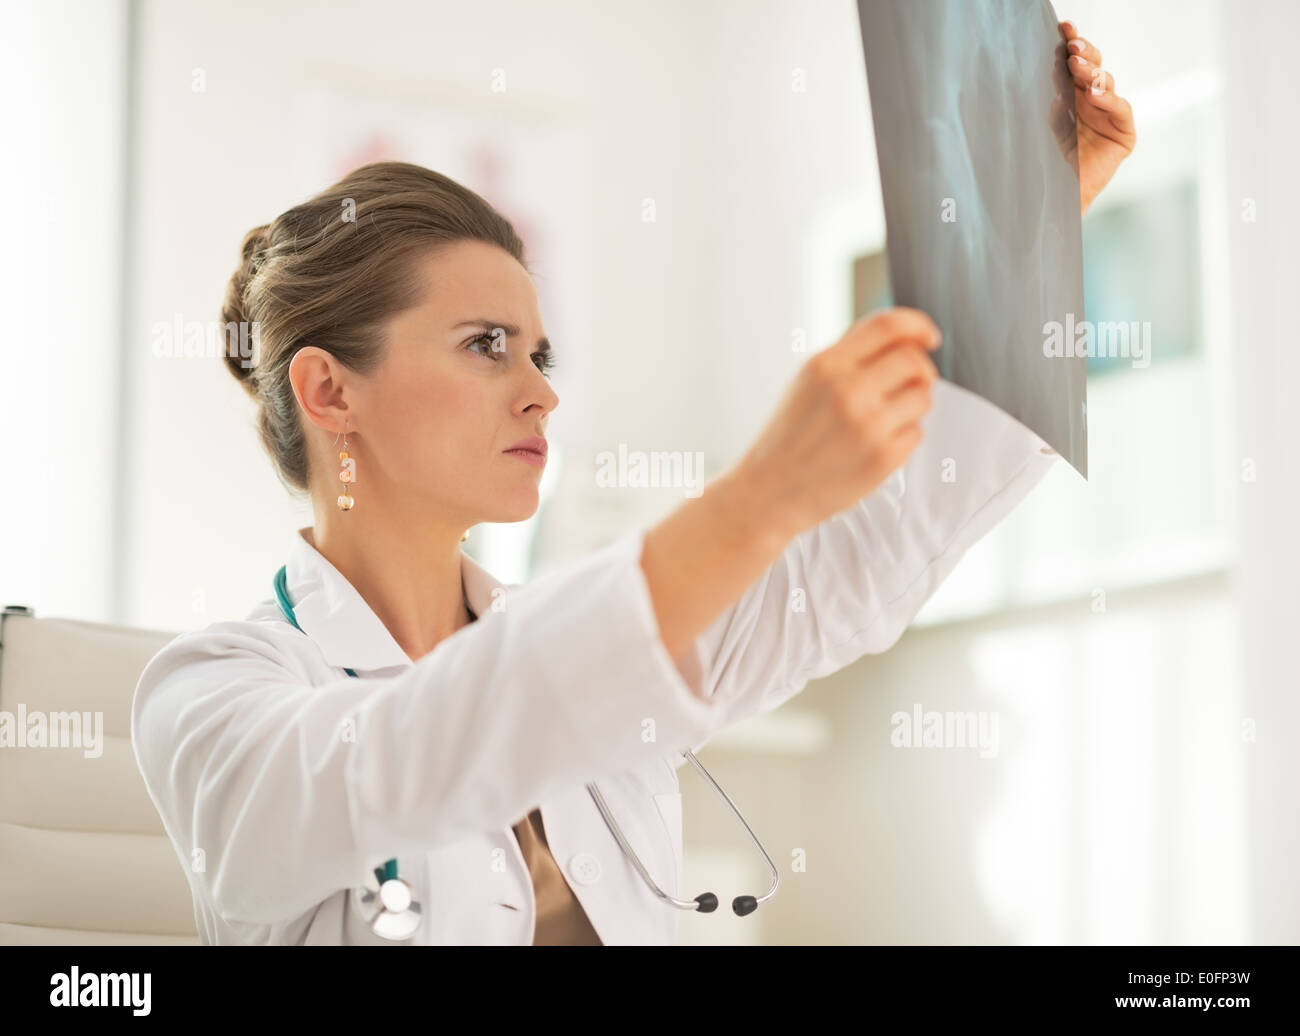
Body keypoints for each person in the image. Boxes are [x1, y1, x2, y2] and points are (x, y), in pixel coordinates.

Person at [130, 22, 1134, 946]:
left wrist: (1032, 236)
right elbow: (416, 746)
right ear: (328, 389)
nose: (541, 396)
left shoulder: (598, 638)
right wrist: (756, 495)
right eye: (487, 346)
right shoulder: (212, 696)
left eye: (539, 352)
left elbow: (854, 561)